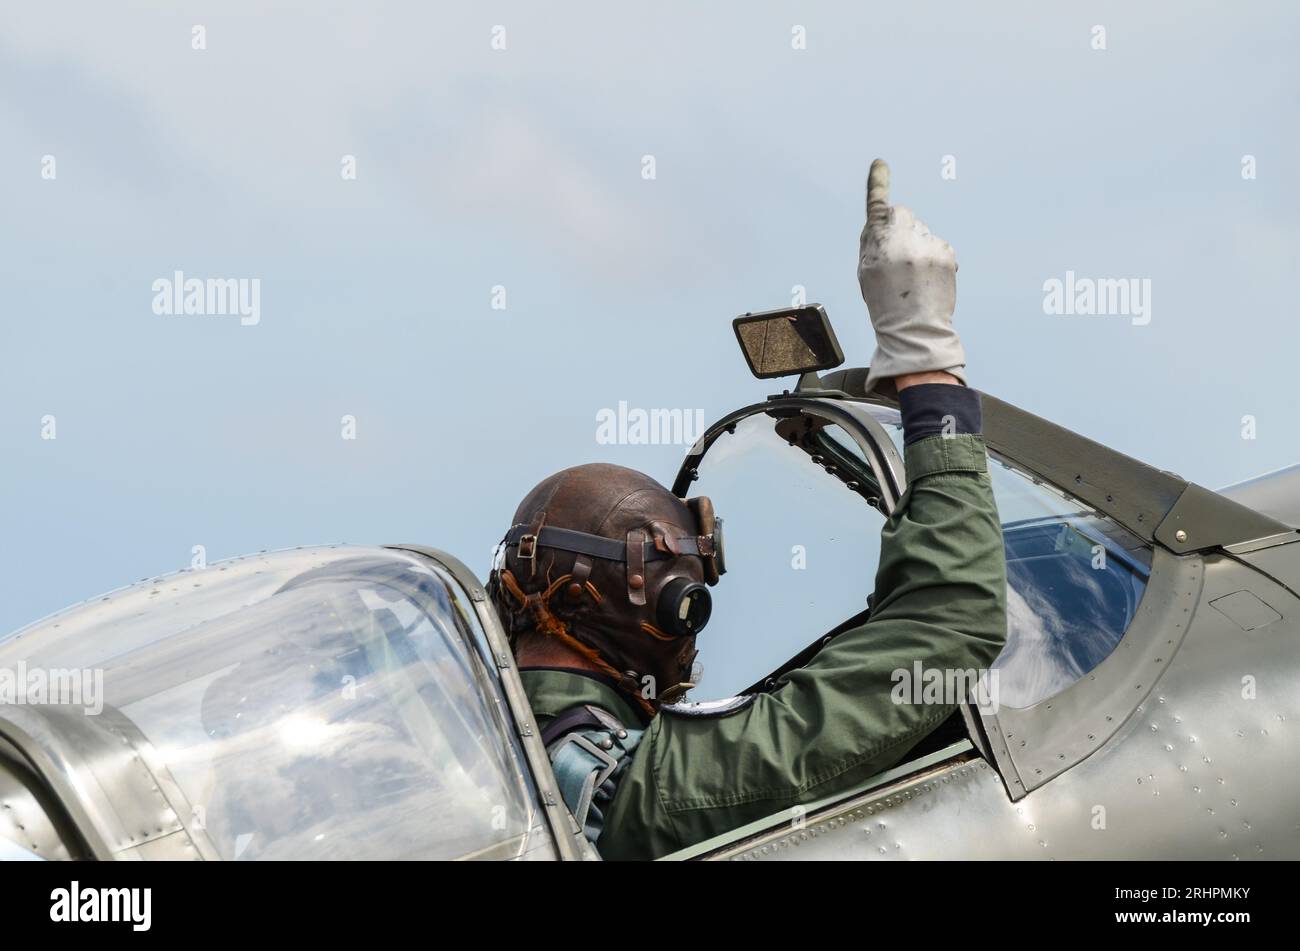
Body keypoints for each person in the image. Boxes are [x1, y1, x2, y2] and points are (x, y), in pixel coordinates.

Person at [487, 159, 1007, 860]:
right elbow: (956, 614)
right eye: (695, 587)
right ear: (662, 597)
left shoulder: (484, 758)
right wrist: (926, 361)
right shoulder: (622, 793)